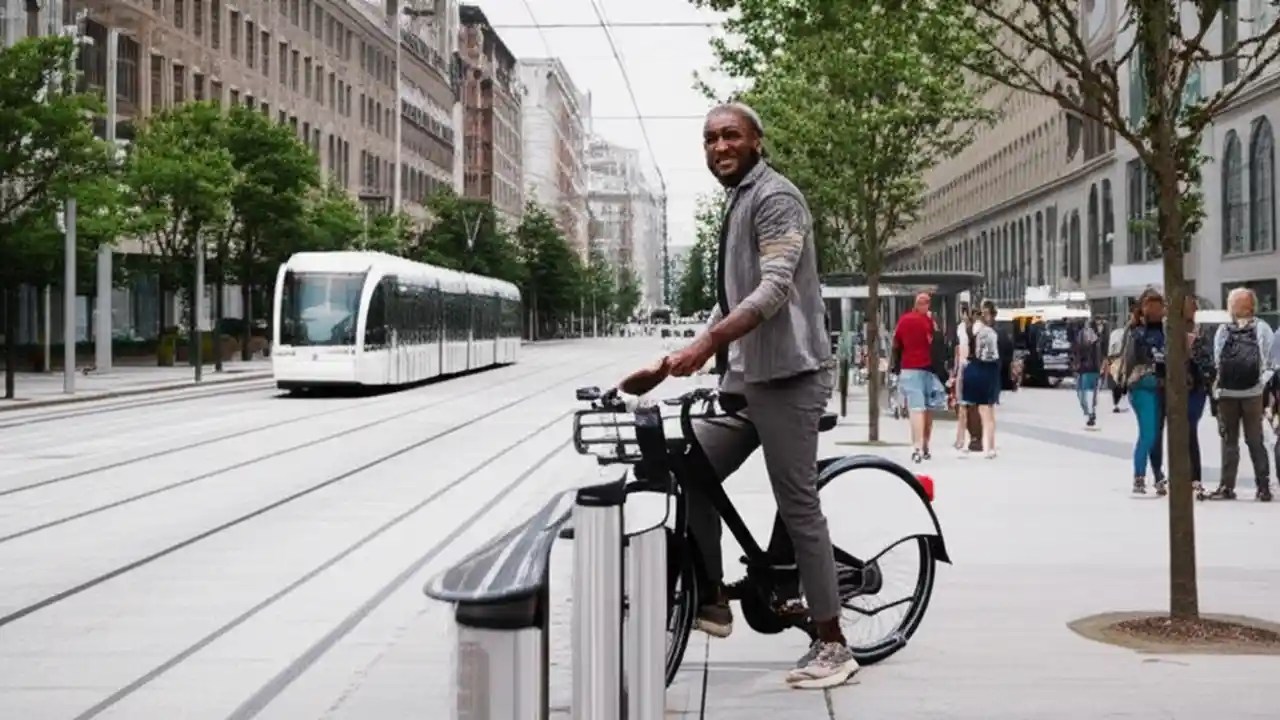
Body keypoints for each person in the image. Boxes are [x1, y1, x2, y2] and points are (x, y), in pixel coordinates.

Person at [634, 102, 856, 689]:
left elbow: (774, 289)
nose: (718, 146)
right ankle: (711, 596)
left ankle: (834, 643)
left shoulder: (776, 197)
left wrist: (704, 346)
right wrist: (673, 359)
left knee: (799, 505)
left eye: (730, 135)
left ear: (757, 140)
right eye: (709, 139)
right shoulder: (735, 201)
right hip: (745, 380)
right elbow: (733, 301)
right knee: (692, 468)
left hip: (789, 377)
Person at [1206, 287, 1276, 501]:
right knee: (1255, 440)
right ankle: (1263, 486)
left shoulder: (1224, 330)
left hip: (1227, 393)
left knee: (1229, 441)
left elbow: (1218, 360)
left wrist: (1218, 388)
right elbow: (1268, 361)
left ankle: (1227, 486)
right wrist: (1260, 385)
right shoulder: (1262, 328)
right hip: (1253, 393)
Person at [1119, 289, 1167, 495]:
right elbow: (1130, 362)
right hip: (1143, 387)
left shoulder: (1167, 330)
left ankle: (1158, 476)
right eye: (1151, 306)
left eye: (1159, 306)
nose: (1156, 310)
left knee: (1156, 434)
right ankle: (1139, 476)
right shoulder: (1135, 332)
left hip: (1164, 387)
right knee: (1148, 433)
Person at [893, 292, 948, 463]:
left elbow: (896, 344)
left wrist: (895, 367)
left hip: (909, 369)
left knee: (916, 409)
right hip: (929, 370)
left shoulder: (904, 320)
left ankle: (917, 447)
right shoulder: (929, 322)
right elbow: (939, 343)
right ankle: (924, 445)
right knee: (928, 409)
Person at [1183, 295, 1216, 497]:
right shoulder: (1170, 330)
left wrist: (1192, 348)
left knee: (1190, 430)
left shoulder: (1203, 330)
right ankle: (1182, 476)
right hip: (1177, 389)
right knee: (1182, 433)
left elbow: (1209, 362)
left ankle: (1194, 478)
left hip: (1196, 389)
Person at [960, 300, 1001, 457]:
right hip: (989, 370)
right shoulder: (994, 331)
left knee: (970, 407)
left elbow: (968, 353)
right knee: (987, 410)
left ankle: (969, 441)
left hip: (975, 369)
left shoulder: (971, 330)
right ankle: (989, 446)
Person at [1071, 317, 1105, 428]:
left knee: (1088, 393)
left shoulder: (1096, 342)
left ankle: (1091, 414)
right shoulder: (1081, 337)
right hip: (1083, 369)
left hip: (1091, 369)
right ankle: (1089, 412)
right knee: (1081, 393)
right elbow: (1077, 353)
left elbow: (1098, 356)